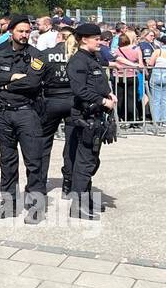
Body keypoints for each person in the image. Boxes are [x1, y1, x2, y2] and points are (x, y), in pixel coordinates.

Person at [0, 14, 48, 223]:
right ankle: (9, 203)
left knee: (33, 161)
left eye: (27, 31)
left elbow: (32, 83)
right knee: (7, 161)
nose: (24, 35)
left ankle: (36, 206)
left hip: (27, 112)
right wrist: (12, 77)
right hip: (4, 113)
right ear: (11, 31)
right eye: (20, 31)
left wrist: (4, 84)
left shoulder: (37, 56)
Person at [66, 24, 116, 221]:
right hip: (85, 117)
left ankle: (85, 199)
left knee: (91, 161)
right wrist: (103, 101)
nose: (99, 41)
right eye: (95, 38)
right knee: (84, 162)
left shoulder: (92, 58)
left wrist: (108, 93)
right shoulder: (78, 61)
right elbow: (80, 90)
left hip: (95, 117)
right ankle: (78, 205)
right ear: (84, 39)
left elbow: (97, 84)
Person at [37, 23, 75, 191]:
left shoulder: (44, 54)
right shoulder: (76, 56)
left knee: (44, 143)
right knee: (72, 143)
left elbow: (34, 76)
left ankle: (40, 181)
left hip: (50, 100)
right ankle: (69, 182)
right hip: (73, 101)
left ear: (59, 37)